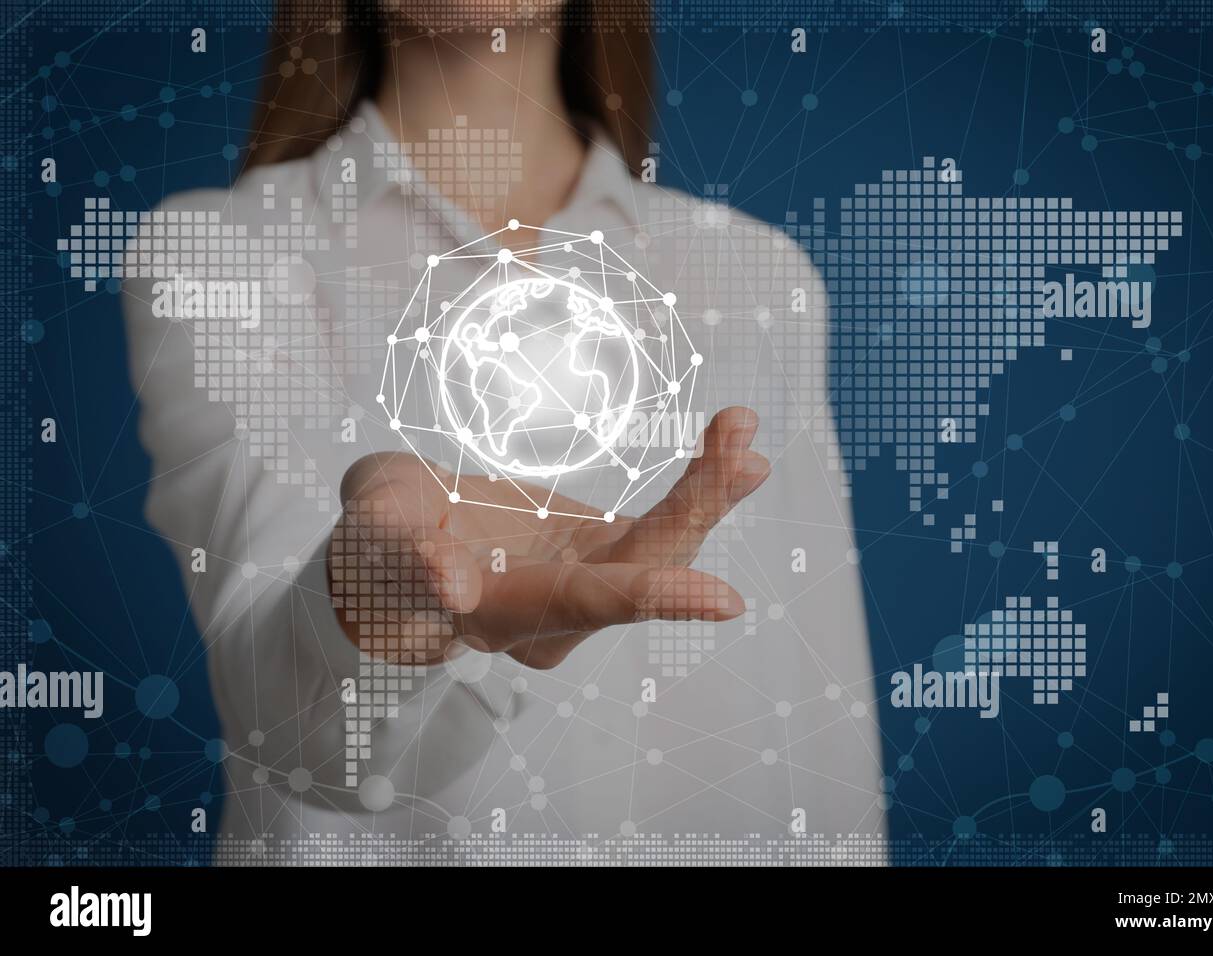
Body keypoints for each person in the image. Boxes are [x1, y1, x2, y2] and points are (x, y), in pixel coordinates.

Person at [123, 0, 884, 862]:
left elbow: (816, 708)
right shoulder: (225, 257)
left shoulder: (750, 274)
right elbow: (296, 741)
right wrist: (379, 611)